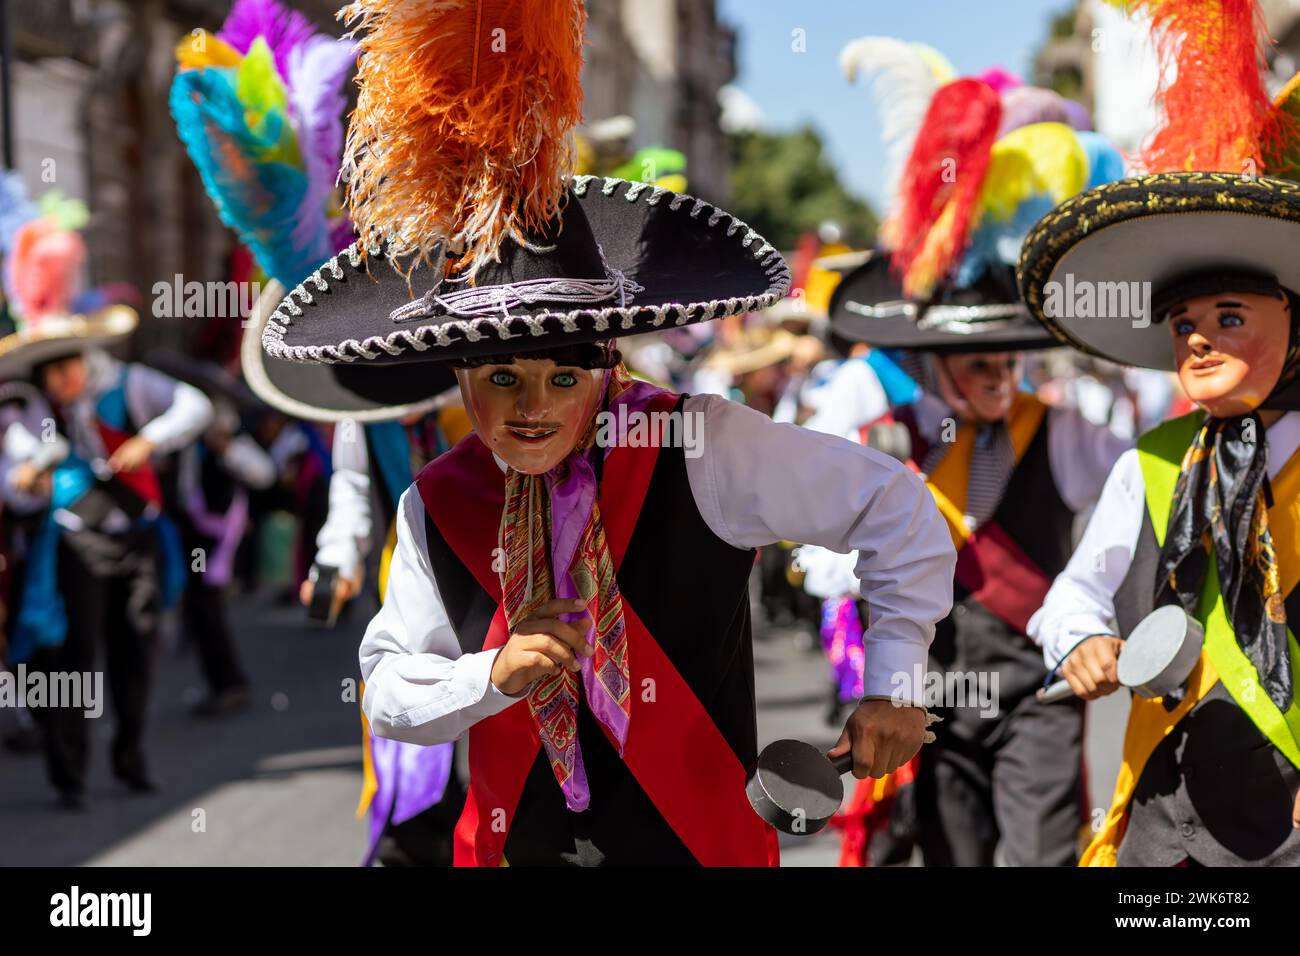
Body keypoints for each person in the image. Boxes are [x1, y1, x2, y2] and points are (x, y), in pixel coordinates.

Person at [262, 0, 955, 866]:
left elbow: (894, 507)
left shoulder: (703, 446)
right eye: (502, 378)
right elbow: (390, 686)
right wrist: (492, 676)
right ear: (459, 376)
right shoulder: (434, 504)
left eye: (563, 378)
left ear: (608, 366)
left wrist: (893, 684)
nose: (532, 407)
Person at [817, 51, 1133, 866]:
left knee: (1039, 857)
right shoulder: (891, 437)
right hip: (935, 697)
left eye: (1011, 362)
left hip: (1037, 694)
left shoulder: (1062, 431)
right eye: (980, 364)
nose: (1000, 378)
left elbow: (1146, 495)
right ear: (936, 362)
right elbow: (818, 559)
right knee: (953, 855)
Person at [172, 0, 469, 864]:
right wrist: (338, 553)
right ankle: (412, 839)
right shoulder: (366, 374)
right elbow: (350, 449)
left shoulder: (468, 352)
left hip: (502, 557)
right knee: (409, 716)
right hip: (409, 560)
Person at [1023, 0, 1300, 867]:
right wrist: (1081, 640)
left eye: (1228, 316)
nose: (1198, 340)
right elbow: (1072, 591)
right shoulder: (1151, 459)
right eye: (1183, 324)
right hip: (1162, 810)